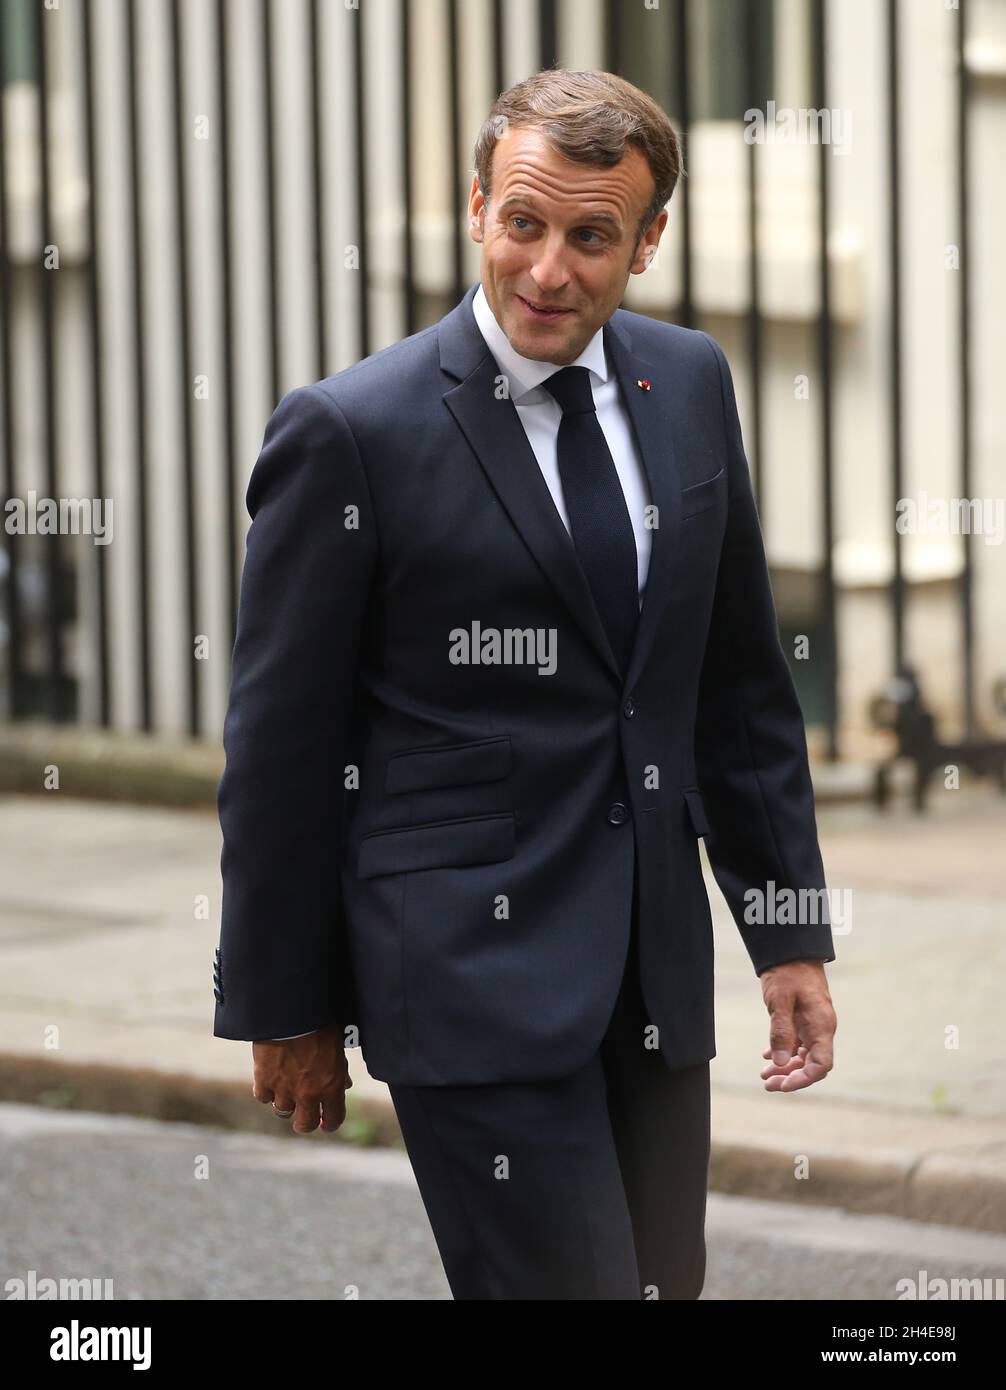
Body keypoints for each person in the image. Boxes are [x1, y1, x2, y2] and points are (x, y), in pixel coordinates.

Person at [212, 68, 837, 1300]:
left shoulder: (691, 386)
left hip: (651, 976)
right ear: (476, 210)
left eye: (591, 236)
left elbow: (735, 687)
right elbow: (282, 746)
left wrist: (787, 931)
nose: (548, 270)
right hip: (464, 979)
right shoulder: (353, 431)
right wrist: (288, 1004)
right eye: (522, 224)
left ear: (647, 240)